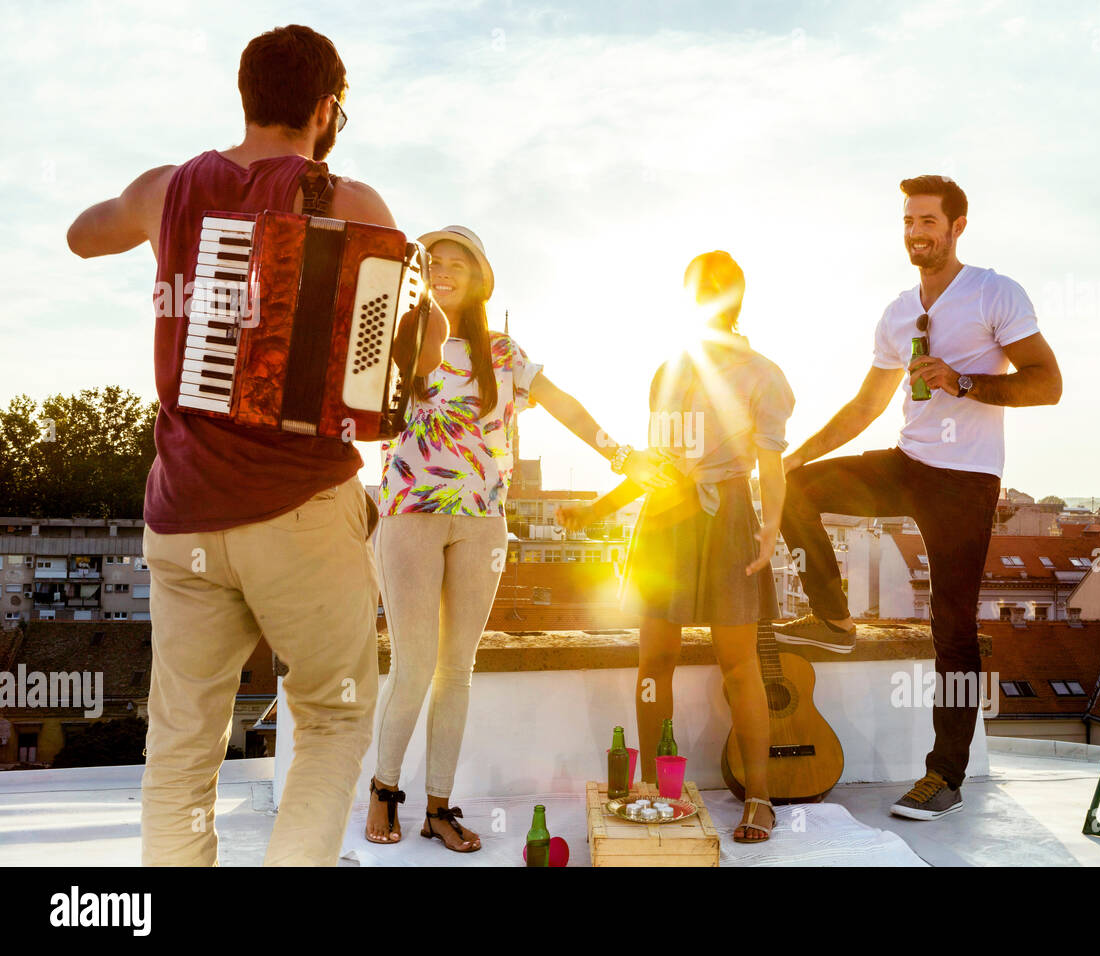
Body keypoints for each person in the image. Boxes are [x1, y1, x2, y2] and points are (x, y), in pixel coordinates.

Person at [66, 24, 447, 866]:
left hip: (182, 518)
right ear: (327, 110)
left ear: (245, 96)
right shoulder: (348, 201)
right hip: (299, 514)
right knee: (336, 716)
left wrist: (149, 220)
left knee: (179, 748)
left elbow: (80, 236)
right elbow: (420, 349)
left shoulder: (166, 191)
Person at [364, 227, 673, 850]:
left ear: (480, 277)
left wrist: (620, 455)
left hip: (482, 520)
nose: (443, 270)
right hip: (408, 514)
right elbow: (349, 407)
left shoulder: (501, 353)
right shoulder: (392, 341)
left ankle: (440, 807)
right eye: (434, 262)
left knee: (457, 669)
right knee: (414, 662)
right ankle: (384, 790)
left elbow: (562, 404)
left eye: (457, 262)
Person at [774, 175, 1063, 821]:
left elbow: (1047, 385)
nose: (915, 233)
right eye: (908, 221)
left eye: (928, 221)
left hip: (965, 478)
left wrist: (963, 380)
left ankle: (945, 776)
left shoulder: (994, 292)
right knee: (797, 489)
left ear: (957, 226)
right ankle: (833, 618)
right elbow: (865, 406)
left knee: (952, 631)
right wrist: (798, 457)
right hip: (908, 463)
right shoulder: (898, 310)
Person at [557, 251, 794, 843]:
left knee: (739, 665)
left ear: (736, 296)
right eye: (697, 286)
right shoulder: (666, 371)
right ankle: (655, 790)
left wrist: (770, 530)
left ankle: (760, 798)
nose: (708, 293)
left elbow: (772, 464)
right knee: (652, 664)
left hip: (729, 519)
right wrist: (596, 509)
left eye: (718, 285)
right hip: (665, 523)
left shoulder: (764, 373)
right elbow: (654, 468)